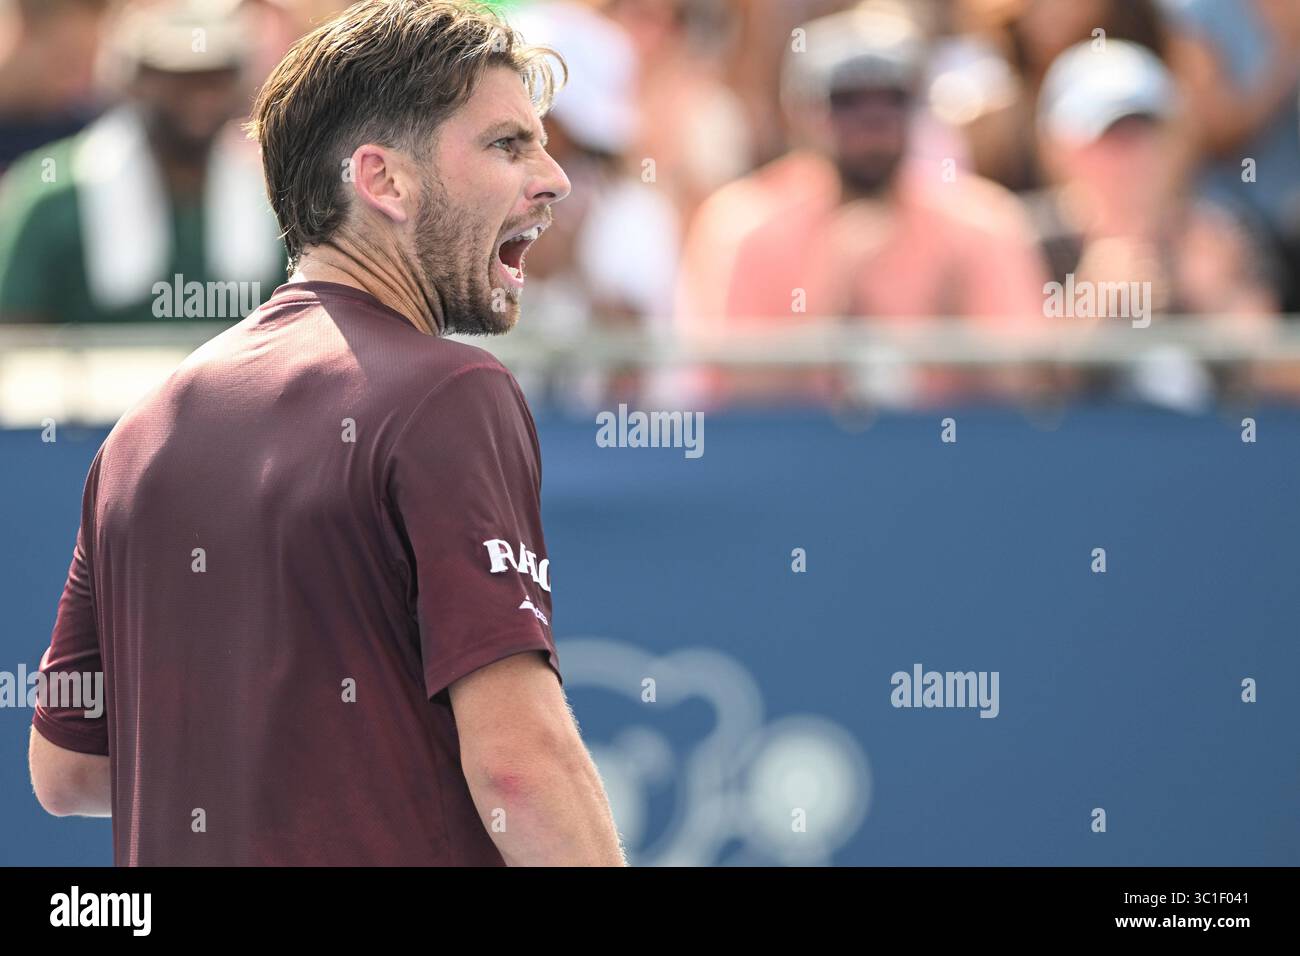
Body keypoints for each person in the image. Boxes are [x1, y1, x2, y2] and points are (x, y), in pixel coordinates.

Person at [28, 0, 626, 867]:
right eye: (508, 145)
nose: (553, 178)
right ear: (382, 181)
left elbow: (67, 769)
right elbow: (522, 776)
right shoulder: (452, 394)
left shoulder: (138, 435)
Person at [675, 1, 1049, 407]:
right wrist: (831, 300)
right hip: (794, 461)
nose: (872, 122)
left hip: (946, 462)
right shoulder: (743, 227)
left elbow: (1025, 394)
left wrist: (951, 323)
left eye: (891, 100)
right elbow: (731, 402)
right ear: (800, 111)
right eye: (847, 102)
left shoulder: (982, 224)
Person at [0, 0, 284, 324]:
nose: (201, 96)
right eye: (178, 78)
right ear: (135, 82)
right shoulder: (52, 199)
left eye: (217, 78)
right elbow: (17, 339)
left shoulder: (273, 199)